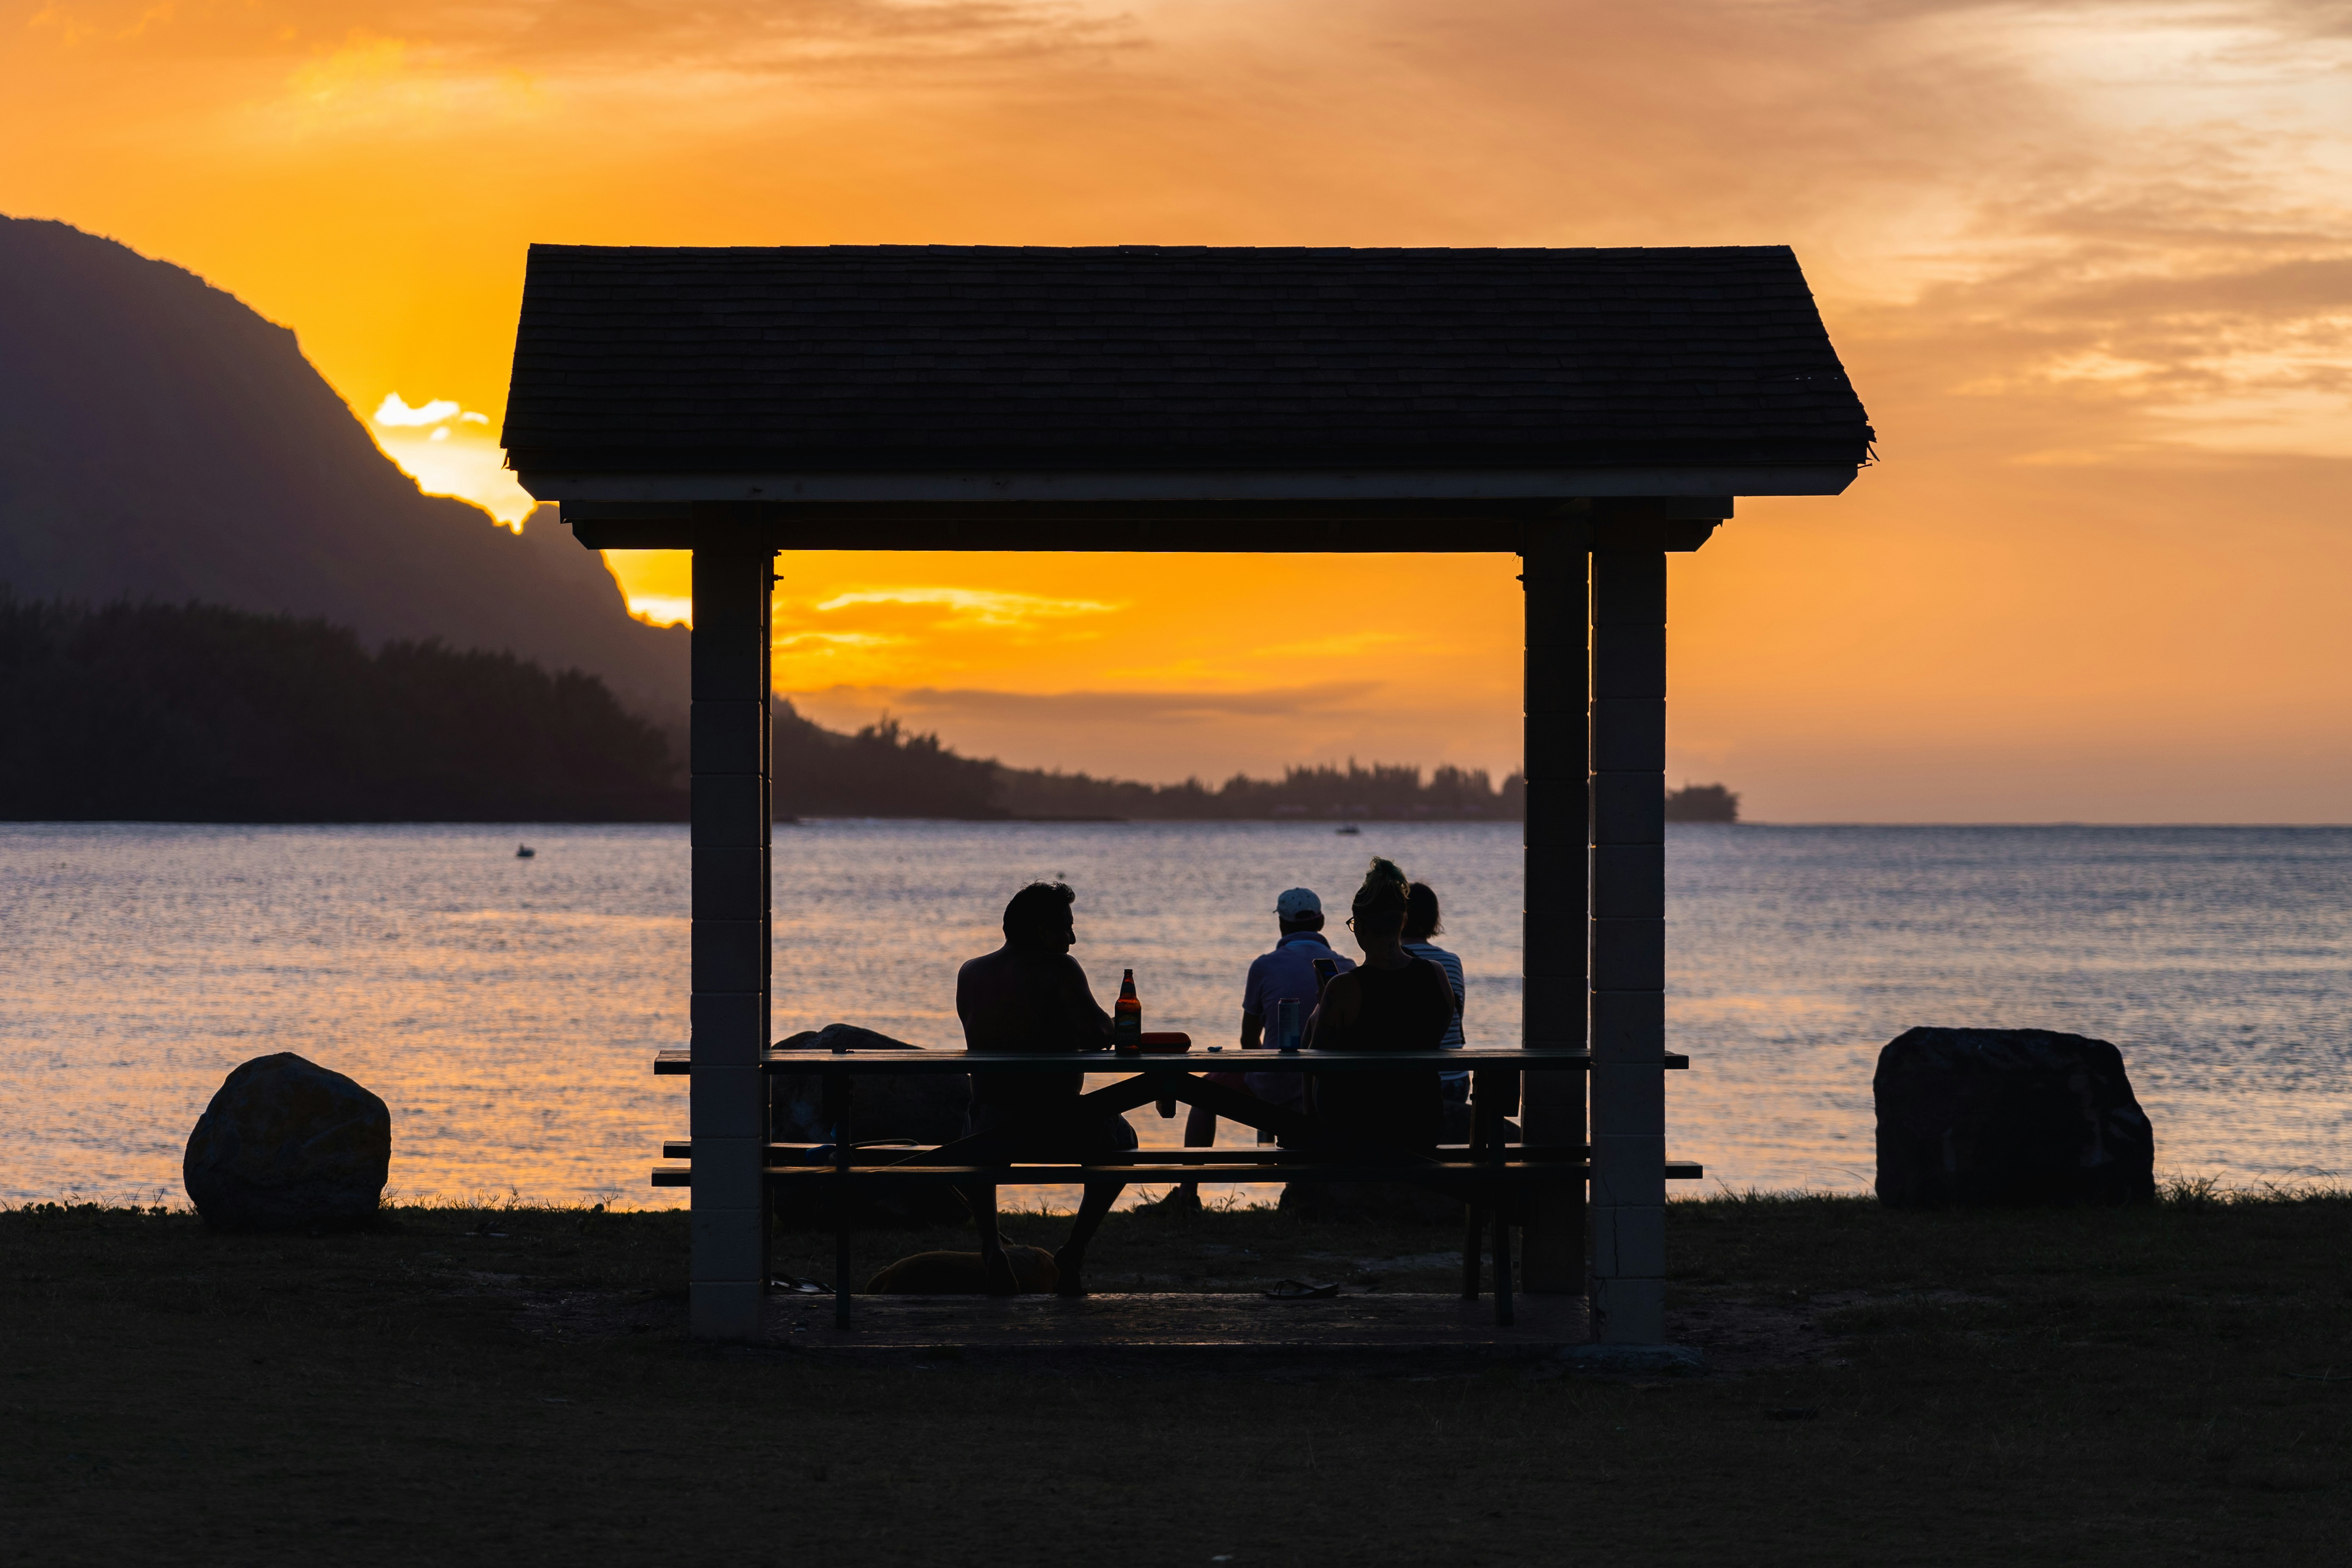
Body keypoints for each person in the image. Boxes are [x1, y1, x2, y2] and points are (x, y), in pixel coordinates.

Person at [955, 881, 1132, 1296]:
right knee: (1125, 1145)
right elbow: (1098, 1032)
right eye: (1066, 928)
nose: (1072, 938)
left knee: (974, 1129)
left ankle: (991, 1247)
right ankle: (1074, 1249)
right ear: (1041, 931)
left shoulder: (970, 971)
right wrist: (1106, 1025)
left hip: (988, 1127)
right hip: (1056, 1122)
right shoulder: (1059, 968)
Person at [1157, 886, 1355, 1212]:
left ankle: (1187, 1194)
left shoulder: (1265, 965)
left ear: (1282, 925)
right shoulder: (1347, 967)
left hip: (1275, 1082)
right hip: (1326, 1088)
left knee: (1201, 1093)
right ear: (1320, 922)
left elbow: (1249, 1042)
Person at [1305, 857, 1456, 1151]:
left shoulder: (1344, 987)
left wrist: (1323, 1007)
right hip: (1423, 1125)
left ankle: (1307, 1141)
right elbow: (1433, 1036)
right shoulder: (1436, 974)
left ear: (1360, 926)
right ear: (1402, 921)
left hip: (1360, 1128)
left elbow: (1317, 1064)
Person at [1403, 881, 1469, 1104]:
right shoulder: (1452, 961)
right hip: (1457, 1077)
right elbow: (1457, 1012)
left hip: (1415, 1078)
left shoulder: (1391, 960)